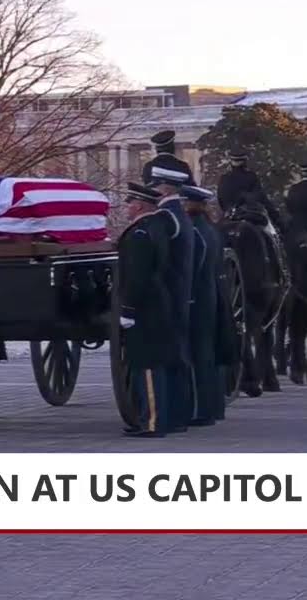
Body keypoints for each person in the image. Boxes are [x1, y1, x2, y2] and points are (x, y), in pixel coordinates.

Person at [118, 182, 176, 438]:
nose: (128, 208)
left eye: (130, 204)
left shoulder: (141, 234)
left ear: (140, 205)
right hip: (156, 303)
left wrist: (128, 309)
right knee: (151, 364)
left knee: (147, 365)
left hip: (145, 307)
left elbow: (137, 276)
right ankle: (150, 418)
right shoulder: (156, 227)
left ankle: (152, 422)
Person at [146, 153, 195, 433]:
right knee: (177, 355)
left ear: (163, 188)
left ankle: (165, 417)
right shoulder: (180, 215)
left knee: (165, 357)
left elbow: (155, 258)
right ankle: (179, 415)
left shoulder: (165, 217)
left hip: (166, 297)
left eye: (154, 186)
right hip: (180, 293)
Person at [182, 185, 225, 426]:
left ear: (191, 204)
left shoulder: (196, 231)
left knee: (198, 355)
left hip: (196, 299)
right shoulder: (208, 228)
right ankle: (212, 407)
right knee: (206, 353)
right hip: (208, 296)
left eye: (184, 202)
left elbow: (194, 268)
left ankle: (201, 410)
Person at [217, 151, 282, 229]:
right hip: (251, 216)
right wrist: (277, 219)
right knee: (271, 232)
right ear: (245, 162)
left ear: (231, 162)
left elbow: (221, 201)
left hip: (229, 216)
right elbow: (262, 198)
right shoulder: (251, 177)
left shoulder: (223, 179)